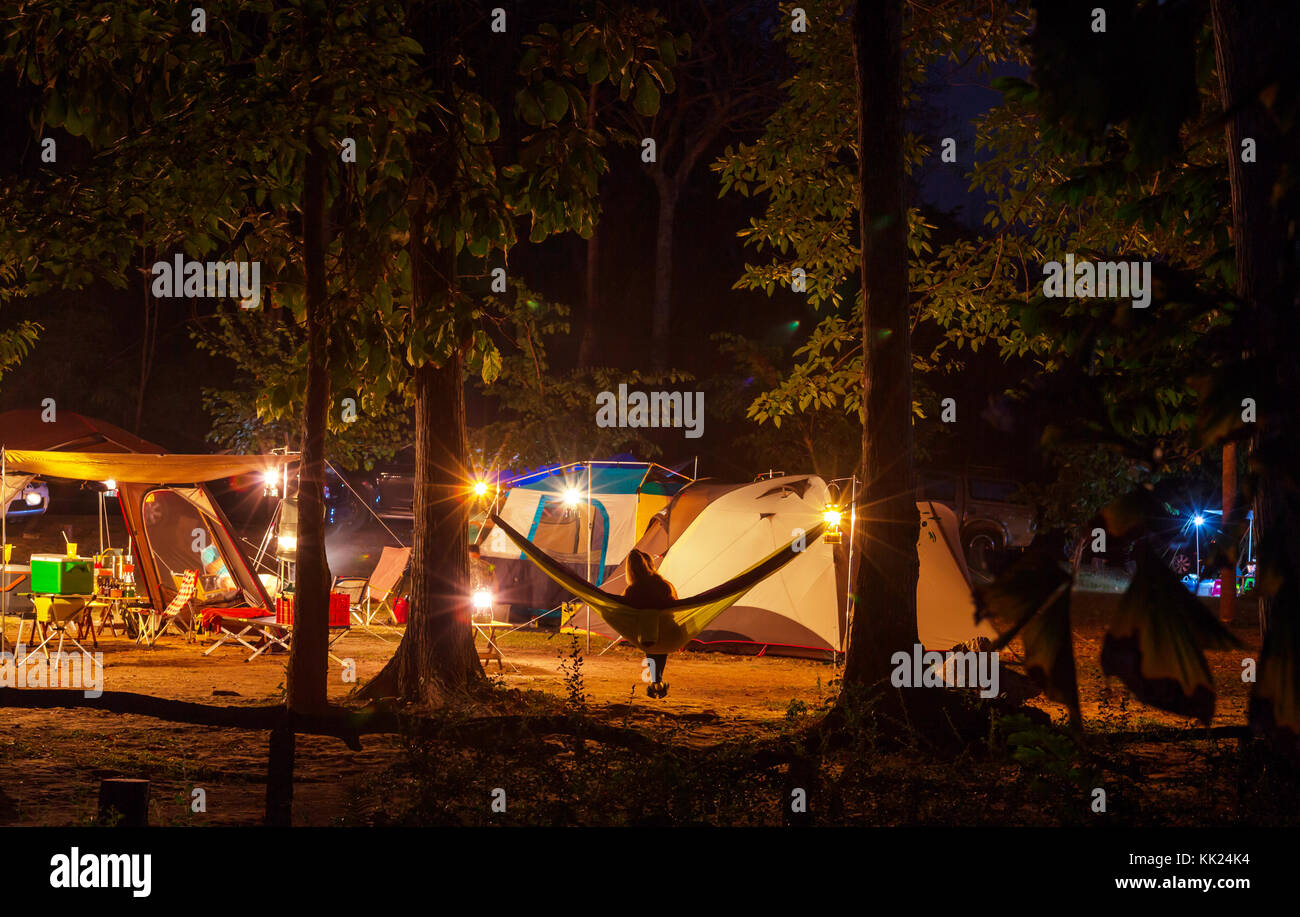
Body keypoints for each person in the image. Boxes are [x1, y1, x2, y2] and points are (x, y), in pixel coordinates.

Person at [623, 548, 677, 698]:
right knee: (660, 648)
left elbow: (626, 607)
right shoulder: (662, 584)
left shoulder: (633, 590)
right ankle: (657, 682)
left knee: (651, 646)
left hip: (647, 634)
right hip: (668, 631)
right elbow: (672, 604)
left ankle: (656, 682)